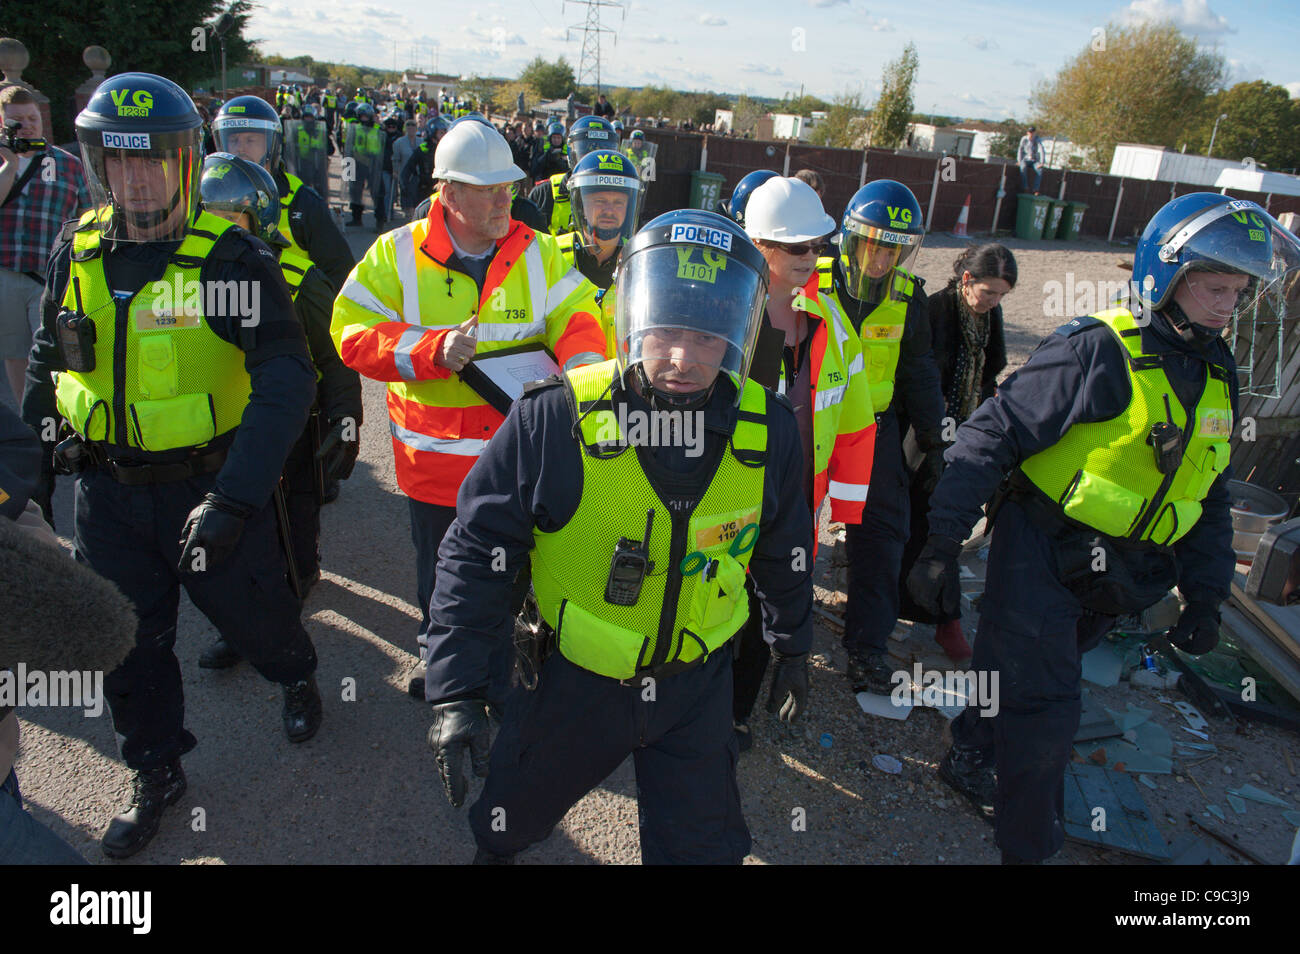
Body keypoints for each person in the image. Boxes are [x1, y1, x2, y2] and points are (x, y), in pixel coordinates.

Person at [908, 193, 1300, 863]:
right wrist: (942, 540)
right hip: (1040, 554)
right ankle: (1031, 847)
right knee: (1046, 721)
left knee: (1011, 672)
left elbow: (1205, 491)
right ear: (1167, 276)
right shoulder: (1097, 349)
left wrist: (1204, 596)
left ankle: (969, 752)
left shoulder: (1216, 369)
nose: (1227, 305)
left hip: (1118, 573)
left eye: (1237, 291)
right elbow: (989, 437)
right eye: (1213, 287)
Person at [423, 208, 814, 863]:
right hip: (577, 681)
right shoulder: (555, 419)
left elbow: (784, 548)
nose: (684, 359)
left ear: (740, 335)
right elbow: (475, 553)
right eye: (665, 332)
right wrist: (456, 688)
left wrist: (794, 645)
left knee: (703, 850)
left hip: (697, 685)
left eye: (708, 338)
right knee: (504, 823)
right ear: (633, 319)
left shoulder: (768, 430)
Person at [20, 73, 323, 859]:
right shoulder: (76, 246)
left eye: (153, 161)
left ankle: (295, 673)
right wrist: (25, 481)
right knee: (130, 642)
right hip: (106, 493)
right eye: (119, 164)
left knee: (256, 617)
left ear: (187, 162)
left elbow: (288, 381)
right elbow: (48, 361)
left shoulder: (229, 262)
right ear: (99, 166)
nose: (137, 179)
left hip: (208, 488)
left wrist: (234, 499)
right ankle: (155, 769)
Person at [330, 120, 607, 699]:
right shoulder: (395, 253)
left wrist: (583, 370)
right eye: (490, 189)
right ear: (450, 194)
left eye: (508, 185)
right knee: (439, 573)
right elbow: (350, 332)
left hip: (515, 461)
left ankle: (498, 660)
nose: (507, 197)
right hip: (435, 467)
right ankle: (442, 665)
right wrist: (431, 350)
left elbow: (580, 315)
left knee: (510, 570)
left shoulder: (535, 251)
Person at [194, 153, 363, 670]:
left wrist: (345, 420)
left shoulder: (297, 275)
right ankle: (244, 628)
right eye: (209, 215)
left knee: (296, 527)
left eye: (231, 219)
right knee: (238, 537)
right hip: (226, 431)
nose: (218, 230)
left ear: (259, 218)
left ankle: (291, 623)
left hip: (294, 430)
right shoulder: (188, 273)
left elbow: (334, 356)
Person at [730, 176, 876, 750]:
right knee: (709, 602)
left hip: (795, 507)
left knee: (772, 610)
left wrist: (843, 507)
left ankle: (734, 715)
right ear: (760, 245)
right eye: (795, 247)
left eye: (816, 245)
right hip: (723, 495)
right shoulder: (722, 310)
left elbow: (859, 422)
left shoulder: (832, 322)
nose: (810, 257)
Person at [816, 180, 947, 691]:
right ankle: (768, 632)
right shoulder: (815, 281)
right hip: (815, 422)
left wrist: (935, 441)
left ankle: (867, 647)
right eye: (873, 243)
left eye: (893, 247)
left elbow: (919, 370)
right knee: (789, 523)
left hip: (874, 428)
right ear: (852, 238)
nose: (881, 257)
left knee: (885, 535)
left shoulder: (908, 297)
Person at [898, 244, 1016, 663]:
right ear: (966, 281)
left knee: (944, 522)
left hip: (965, 430)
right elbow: (917, 372)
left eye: (1001, 295)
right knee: (913, 520)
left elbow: (989, 371)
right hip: (922, 431)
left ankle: (942, 617)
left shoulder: (988, 318)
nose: (993, 302)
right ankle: (909, 608)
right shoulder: (935, 310)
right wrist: (934, 432)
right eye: (988, 292)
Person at [0, 86, 89, 406]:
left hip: (51, 276)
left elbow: (88, 215)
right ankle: (26, 416)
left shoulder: (68, 164)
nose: (27, 125)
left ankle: (55, 416)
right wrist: (9, 165)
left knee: (54, 351)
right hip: (7, 273)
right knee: (14, 352)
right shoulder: (1, 162)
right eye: (17, 120)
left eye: (32, 118)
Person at [212, 95, 355, 292]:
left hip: (290, 316)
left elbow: (341, 274)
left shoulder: (302, 202)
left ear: (272, 145)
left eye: (250, 140)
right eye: (233, 140)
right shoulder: (207, 200)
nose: (240, 148)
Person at [554, 148, 643, 293]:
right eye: (599, 201)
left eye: (618, 202)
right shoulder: (553, 254)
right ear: (581, 206)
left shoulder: (638, 262)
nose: (609, 210)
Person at [529, 116, 619, 236]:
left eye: (602, 153)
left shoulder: (622, 197)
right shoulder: (545, 193)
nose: (594, 162)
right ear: (572, 153)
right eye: (587, 152)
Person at [344, 103, 387, 231]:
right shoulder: (354, 129)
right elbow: (348, 147)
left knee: (378, 193)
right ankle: (356, 218)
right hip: (357, 164)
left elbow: (384, 148)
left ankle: (380, 220)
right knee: (355, 191)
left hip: (374, 165)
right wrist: (347, 165)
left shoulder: (378, 129)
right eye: (361, 116)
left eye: (366, 116)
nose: (364, 118)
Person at [393, 118, 421, 220]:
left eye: (413, 125)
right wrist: (395, 170)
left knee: (415, 191)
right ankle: (407, 211)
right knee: (405, 190)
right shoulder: (399, 142)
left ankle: (414, 212)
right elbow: (395, 159)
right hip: (404, 171)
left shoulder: (421, 141)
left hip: (417, 172)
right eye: (408, 126)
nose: (411, 128)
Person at [1017, 126, 1043, 196]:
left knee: (1039, 170)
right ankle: (1025, 187)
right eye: (1030, 133)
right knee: (1023, 168)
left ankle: (1036, 189)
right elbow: (1020, 149)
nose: (1031, 134)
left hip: (1034, 160)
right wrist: (1019, 160)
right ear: (1027, 133)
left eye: (1033, 133)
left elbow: (1041, 149)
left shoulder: (1037, 139)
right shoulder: (1024, 139)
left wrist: (1042, 162)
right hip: (1025, 159)